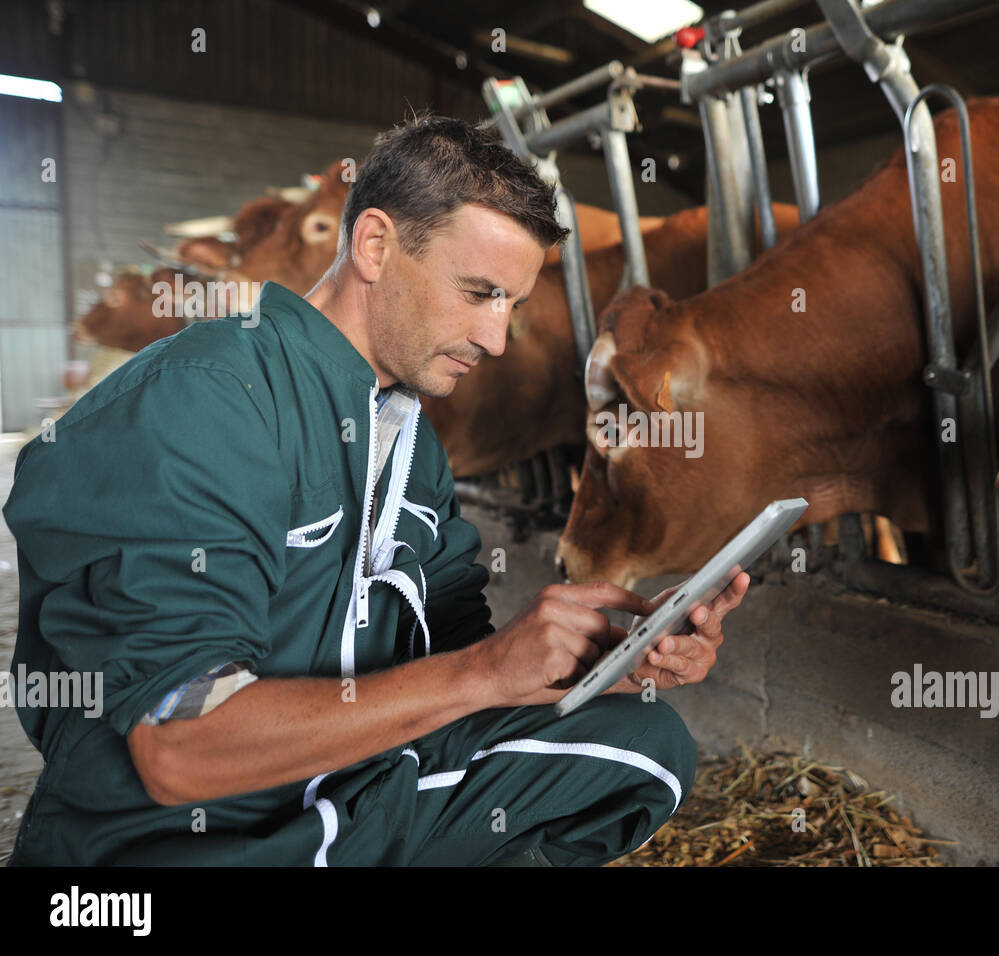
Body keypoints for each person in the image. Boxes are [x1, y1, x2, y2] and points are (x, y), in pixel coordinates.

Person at [2, 111, 749, 866]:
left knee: (643, 747)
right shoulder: (205, 398)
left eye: (512, 306)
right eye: (479, 292)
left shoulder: (407, 432)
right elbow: (179, 750)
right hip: (185, 839)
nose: (495, 339)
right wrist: (484, 674)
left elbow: (453, 648)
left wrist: (602, 662)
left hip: (348, 787)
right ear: (375, 245)